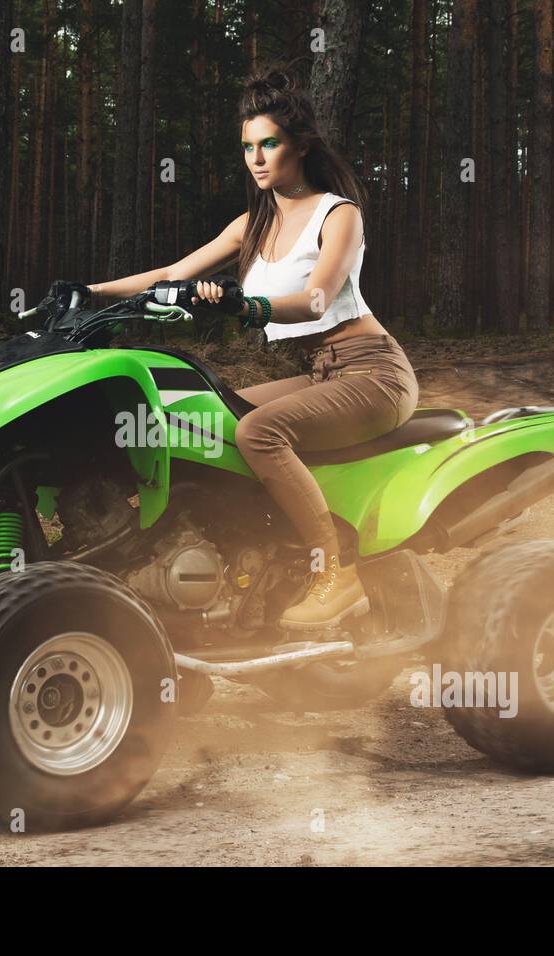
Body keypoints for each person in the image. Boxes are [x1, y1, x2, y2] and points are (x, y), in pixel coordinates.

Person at [81, 66, 419, 630]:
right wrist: (87, 292)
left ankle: (335, 572)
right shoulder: (253, 226)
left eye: (270, 144)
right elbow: (171, 271)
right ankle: (250, 560)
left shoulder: (339, 214)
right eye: (248, 147)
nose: (257, 158)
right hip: (321, 375)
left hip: (374, 374)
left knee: (258, 431)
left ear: (300, 146)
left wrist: (247, 306)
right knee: (204, 419)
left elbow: (317, 301)